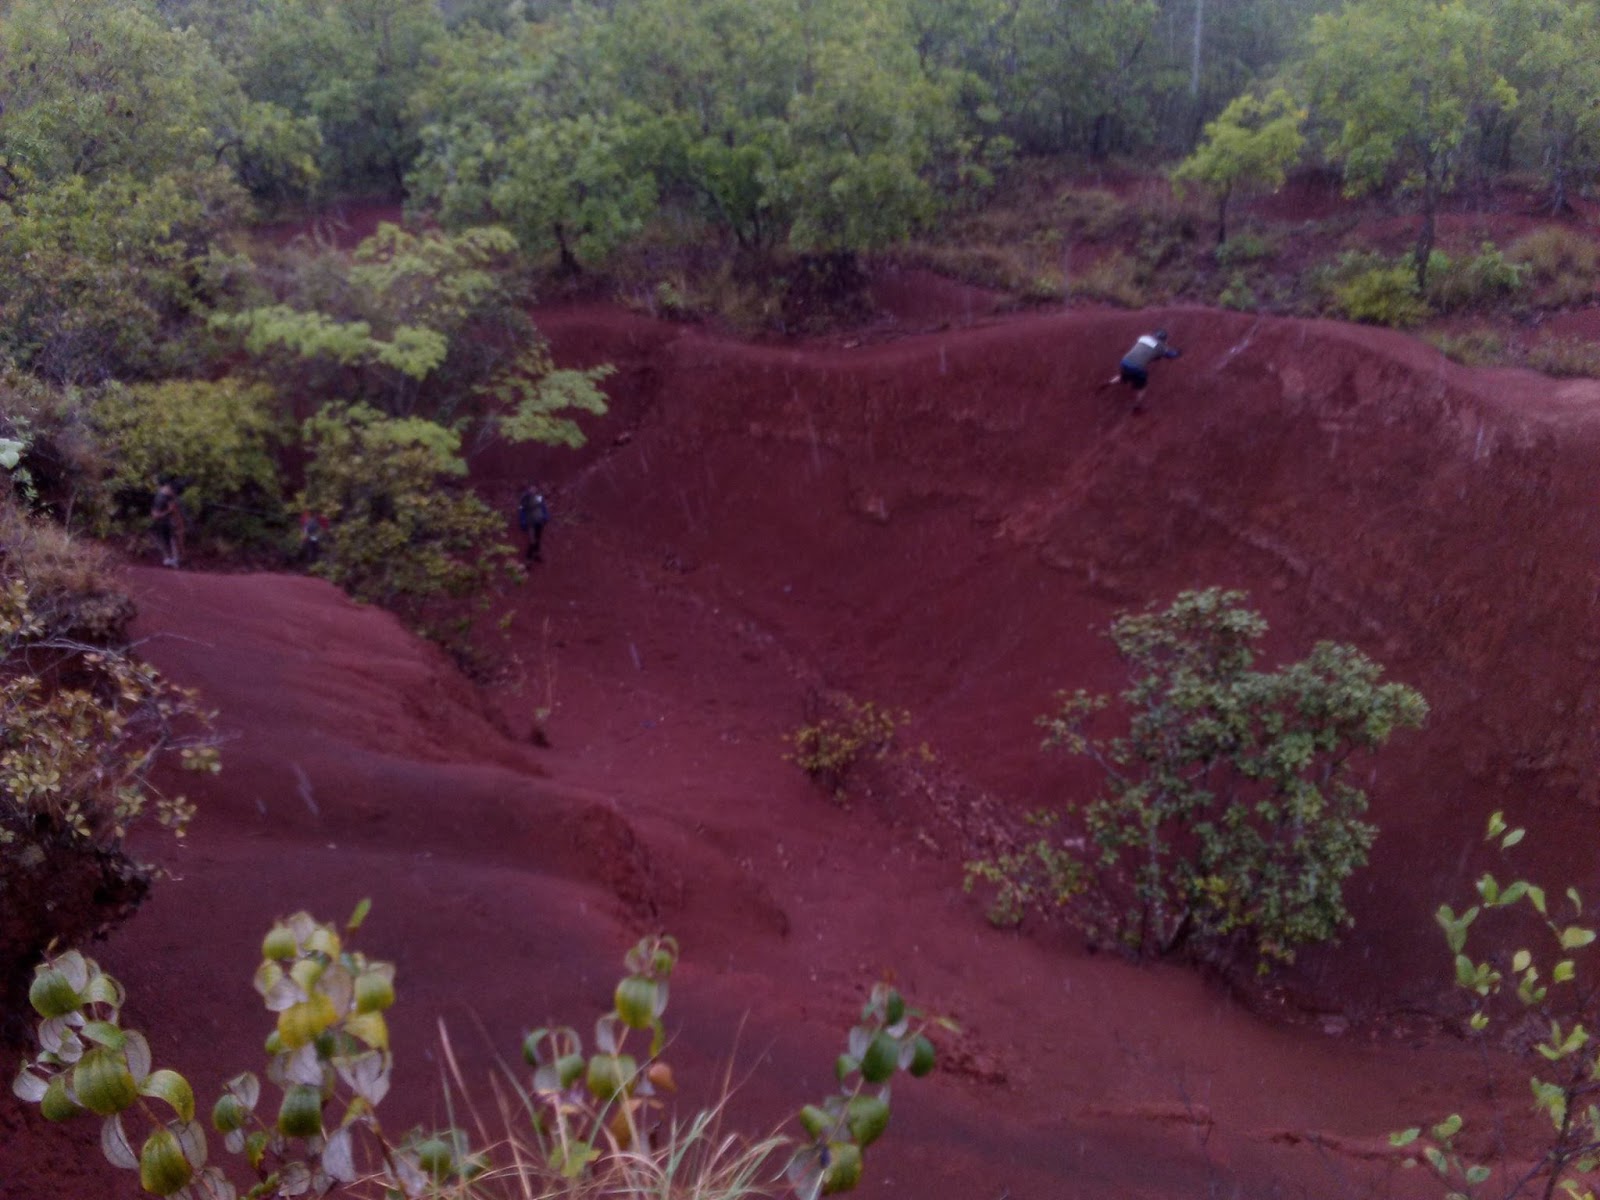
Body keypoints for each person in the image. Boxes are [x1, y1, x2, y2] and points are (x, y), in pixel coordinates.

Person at [1102, 329, 1182, 409]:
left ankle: (1109, 382)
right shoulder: (1161, 347)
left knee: (1124, 377)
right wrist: (1178, 353)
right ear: (1164, 339)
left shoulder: (1144, 338)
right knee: (1142, 387)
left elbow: (1148, 350)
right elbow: (1171, 355)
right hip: (1137, 368)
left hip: (1125, 361)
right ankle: (1138, 405)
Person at [517, 484, 550, 562]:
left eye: (535, 488)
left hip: (539, 521)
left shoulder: (538, 497)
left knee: (538, 539)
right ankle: (527, 559)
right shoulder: (525, 498)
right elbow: (521, 510)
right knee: (532, 541)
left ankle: (536, 554)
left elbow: (543, 506)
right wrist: (523, 521)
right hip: (530, 522)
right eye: (531, 488)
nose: (533, 490)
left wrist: (546, 515)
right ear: (528, 489)